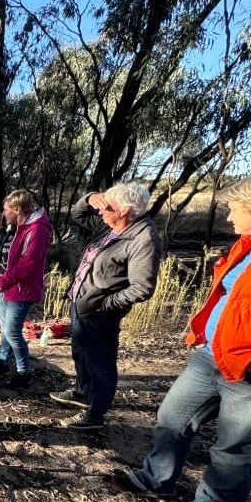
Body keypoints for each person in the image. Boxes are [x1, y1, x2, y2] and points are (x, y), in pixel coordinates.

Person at [108, 171, 251, 502]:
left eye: (235, 207)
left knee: (235, 446)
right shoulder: (247, 244)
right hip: (211, 356)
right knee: (172, 417)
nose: (229, 216)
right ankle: (156, 478)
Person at [50, 182, 163, 430]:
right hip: (82, 304)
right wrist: (91, 198)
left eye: (107, 207)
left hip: (101, 313)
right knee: (81, 351)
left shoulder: (143, 239)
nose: (101, 213)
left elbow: (142, 288)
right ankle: (82, 392)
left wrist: (102, 303)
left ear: (125, 210)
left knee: (100, 362)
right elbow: (79, 214)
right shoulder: (111, 226)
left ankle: (95, 414)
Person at [0, 190, 53, 389]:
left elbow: (27, 264)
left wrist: (2, 282)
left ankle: (24, 373)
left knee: (12, 331)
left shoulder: (37, 230)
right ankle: (3, 361)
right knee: (5, 328)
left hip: (21, 290)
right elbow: (5, 258)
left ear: (17, 209)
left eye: (6, 210)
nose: (3, 213)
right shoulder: (16, 228)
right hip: (7, 287)